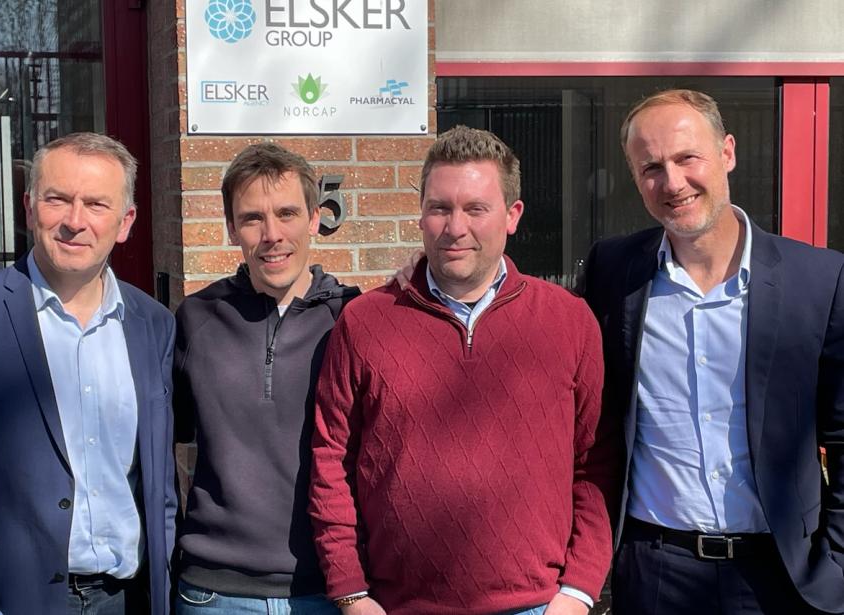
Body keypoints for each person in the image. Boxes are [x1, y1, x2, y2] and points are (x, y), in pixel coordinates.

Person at [310, 126, 618, 615]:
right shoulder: (366, 321)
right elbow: (331, 460)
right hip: (398, 606)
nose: (455, 227)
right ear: (421, 215)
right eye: (440, 208)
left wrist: (578, 592)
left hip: (538, 606)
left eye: (476, 209)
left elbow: (595, 463)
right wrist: (351, 591)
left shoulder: (568, 320)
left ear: (512, 216)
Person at [577, 89, 844, 615]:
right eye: (650, 166)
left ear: (727, 153)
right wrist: (428, 274)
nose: (672, 182)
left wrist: (835, 561)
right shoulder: (613, 272)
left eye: (686, 158)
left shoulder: (819, 280)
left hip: (783, 575)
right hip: (654, 572)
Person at [0, 132, 177, 615]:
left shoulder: (153, 324)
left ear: (125, 223)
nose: (74, 222)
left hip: (127, 599)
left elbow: (157, 482)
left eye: (96, 204)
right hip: (7, 601)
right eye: (57, 199)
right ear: (29, 208)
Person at [171, 143, 359, 614]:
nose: (272, 234)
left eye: (288, 213)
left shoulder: (354, 317)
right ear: (232, 227)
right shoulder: (197, 319)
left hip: (332, 590)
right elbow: (164, 439)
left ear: (316, 218)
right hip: (214, 592)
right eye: (253, 218)